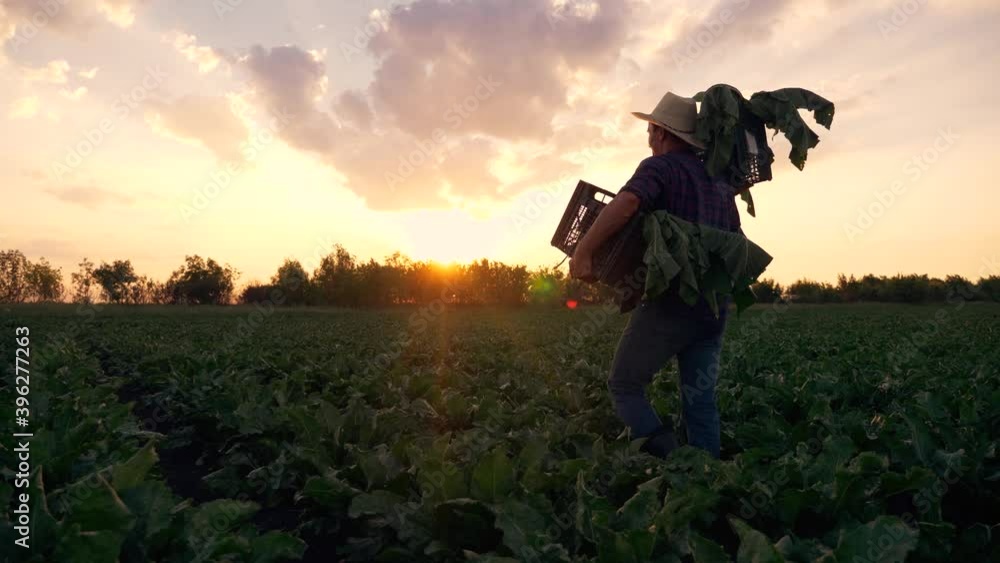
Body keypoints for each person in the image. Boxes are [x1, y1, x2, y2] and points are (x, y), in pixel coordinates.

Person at [569, 92, 742, 459]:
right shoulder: (719, 180)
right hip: (713, 307)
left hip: (673, 302)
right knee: (700, 400)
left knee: (625, 384)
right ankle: (708, 480)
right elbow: (736, 241)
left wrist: (584, 250)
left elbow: (629, 202)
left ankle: (673, 461)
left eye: (650, 130)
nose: (648, 138)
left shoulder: (659, 168)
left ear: (661, 133)